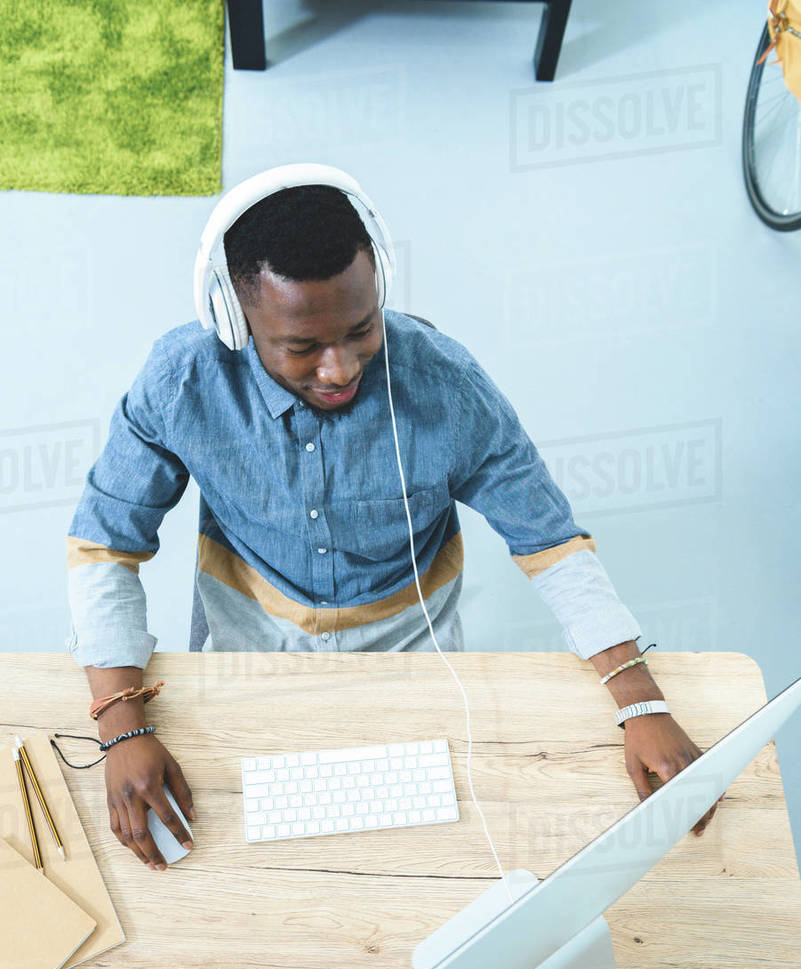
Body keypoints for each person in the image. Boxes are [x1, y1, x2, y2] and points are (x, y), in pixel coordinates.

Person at [65, 170, 720, 872]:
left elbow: (551, 543)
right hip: (245, 649)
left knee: (426, 857)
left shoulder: (445, 384)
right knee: (238, 860)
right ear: (234, 318)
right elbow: (105, 544)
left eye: (360, 328)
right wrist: (120, 723)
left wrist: (638, 704)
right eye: (301, 347)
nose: (338, 367)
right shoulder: (182, 382)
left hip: (412, 652)